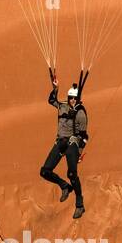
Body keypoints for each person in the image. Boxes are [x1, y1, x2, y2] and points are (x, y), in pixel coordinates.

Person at [40, 69, 88, 219]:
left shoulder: (80, 113)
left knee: (72, 173)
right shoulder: (62, 106)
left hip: (72, 143)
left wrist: (79, 151)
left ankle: (79, 204)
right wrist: (55, 88)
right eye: (70, 98)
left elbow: (84, 136)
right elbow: (51, 100)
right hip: (60, 142)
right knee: (44, 171)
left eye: (74, 98)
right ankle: (64, 186)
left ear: (78, 98)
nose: (72, 100)